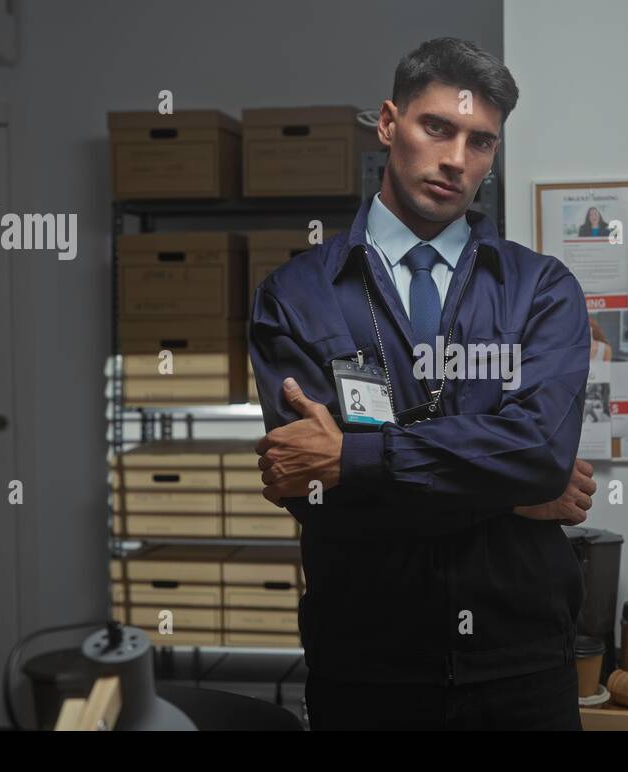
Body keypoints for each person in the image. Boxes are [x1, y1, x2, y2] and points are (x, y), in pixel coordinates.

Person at [249, 38, 595, 731]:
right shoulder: (296, 296)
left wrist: (356, 458)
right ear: (387, 124)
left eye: (481, 143)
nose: (456, 160)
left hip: (522, 666)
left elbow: (539, 454)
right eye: (436, 127)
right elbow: (318, 498)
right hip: (367, 671)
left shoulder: (541, 290)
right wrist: (510, 497)